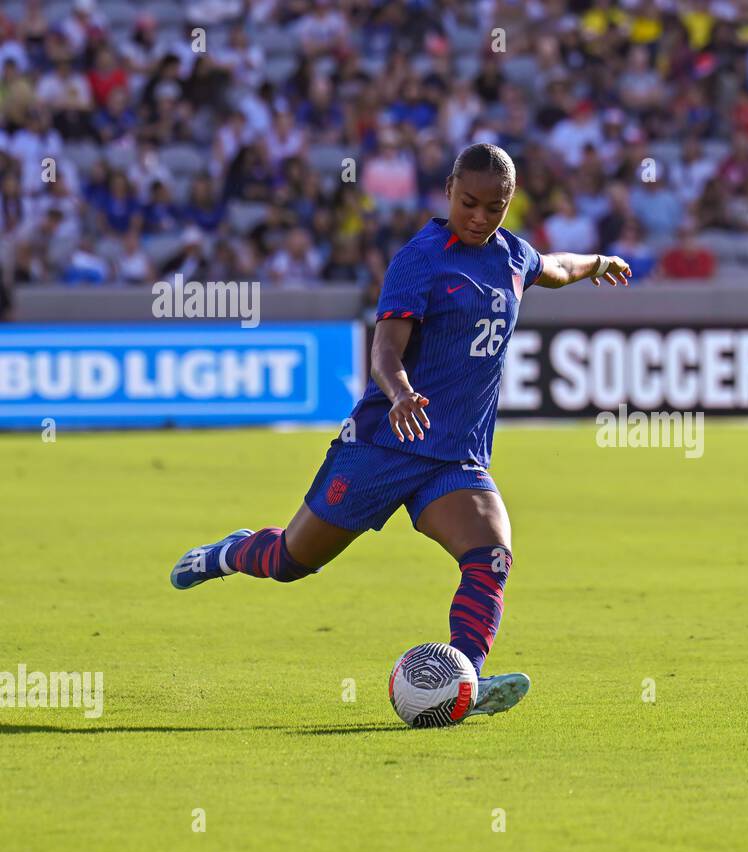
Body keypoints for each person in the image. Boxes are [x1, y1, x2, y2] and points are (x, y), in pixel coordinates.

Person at [169, 144, 632, 719]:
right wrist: (401, 392)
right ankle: (230, 553)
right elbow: (385, 351)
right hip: (384, 445)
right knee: (293, 560)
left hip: (453, 459)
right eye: (470, 203)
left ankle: (465, 679)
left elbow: (556, 268)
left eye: (496, 206)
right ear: (448, 190)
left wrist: (597, 262)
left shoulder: (513, 256)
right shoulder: (421, 259)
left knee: (490, 552)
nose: (481, 217)